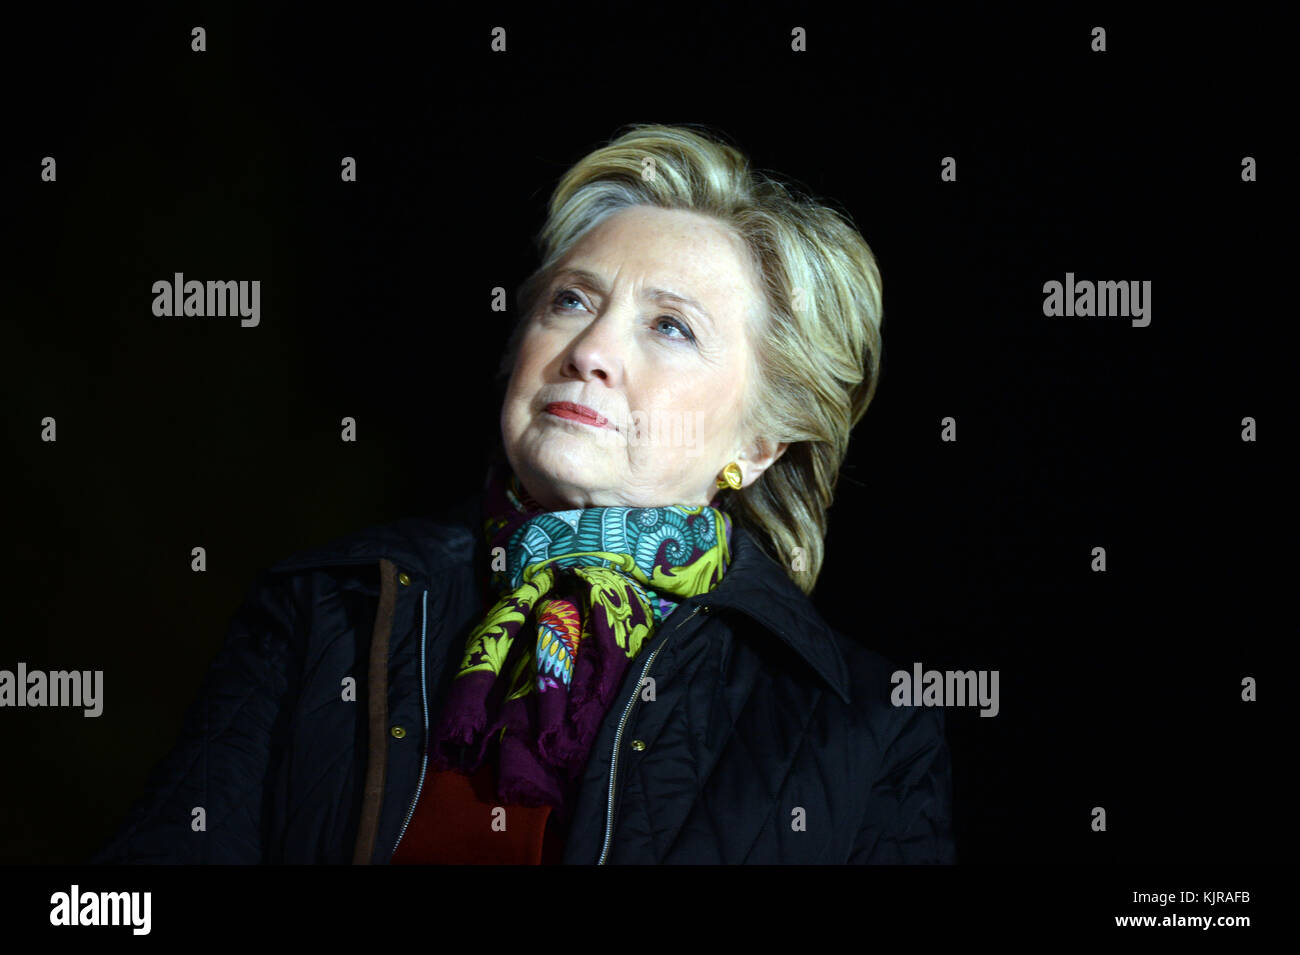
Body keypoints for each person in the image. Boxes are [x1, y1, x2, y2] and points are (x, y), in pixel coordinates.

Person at [89, 123, 955, 864]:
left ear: (759, 443)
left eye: (671, 326)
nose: (590, 348)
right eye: (571, 300)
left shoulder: (862, 726)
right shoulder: (332, 607)